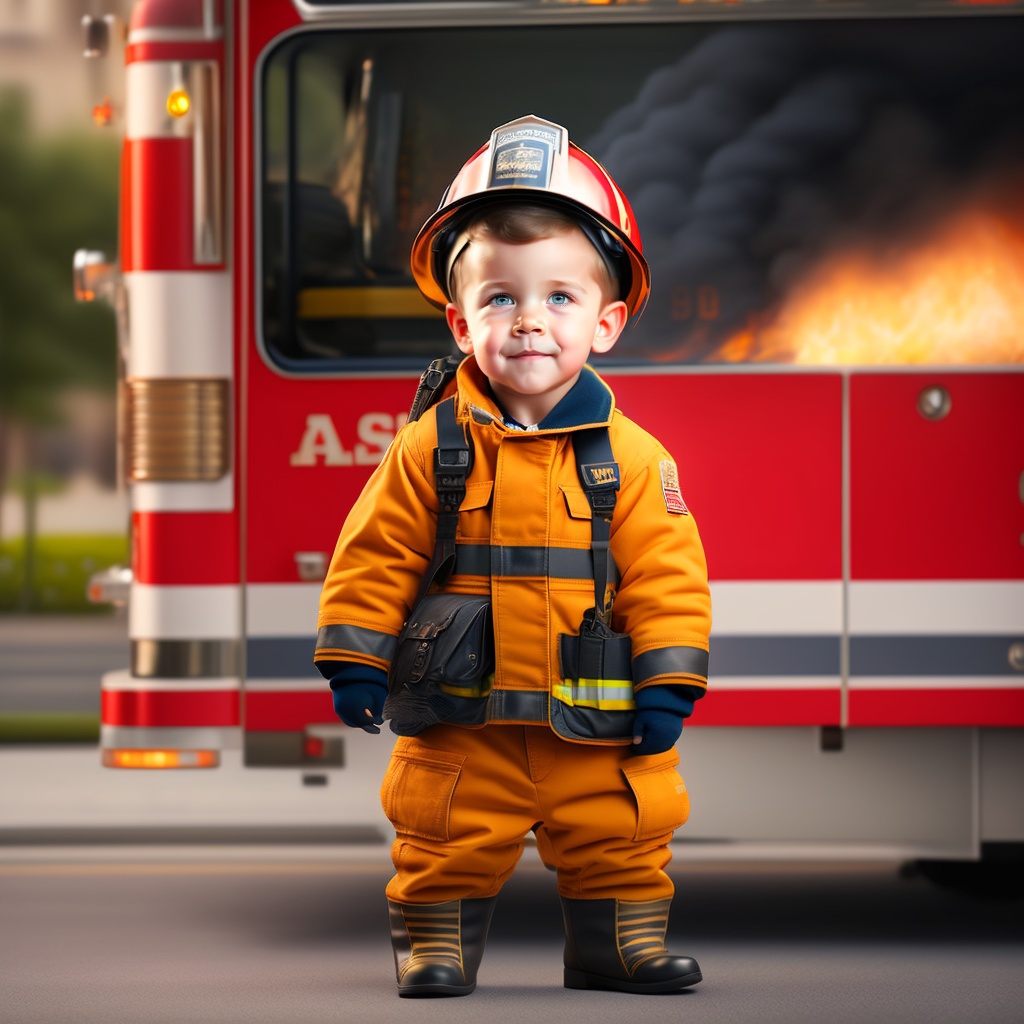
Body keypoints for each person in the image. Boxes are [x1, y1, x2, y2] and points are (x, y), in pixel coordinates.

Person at [315, 115, 711, 998]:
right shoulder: (430, 448)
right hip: (464, 719)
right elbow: (373, 555)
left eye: (559, 299)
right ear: (460, 322)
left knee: (621, 831)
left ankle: (620, 945)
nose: (529, 322)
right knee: (443, 834)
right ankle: (436, 947)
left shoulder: (637, 459)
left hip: (595, 725)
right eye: (501, 299)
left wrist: (669, 684)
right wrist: (356, 660)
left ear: (606, 322)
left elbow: (668, 577)